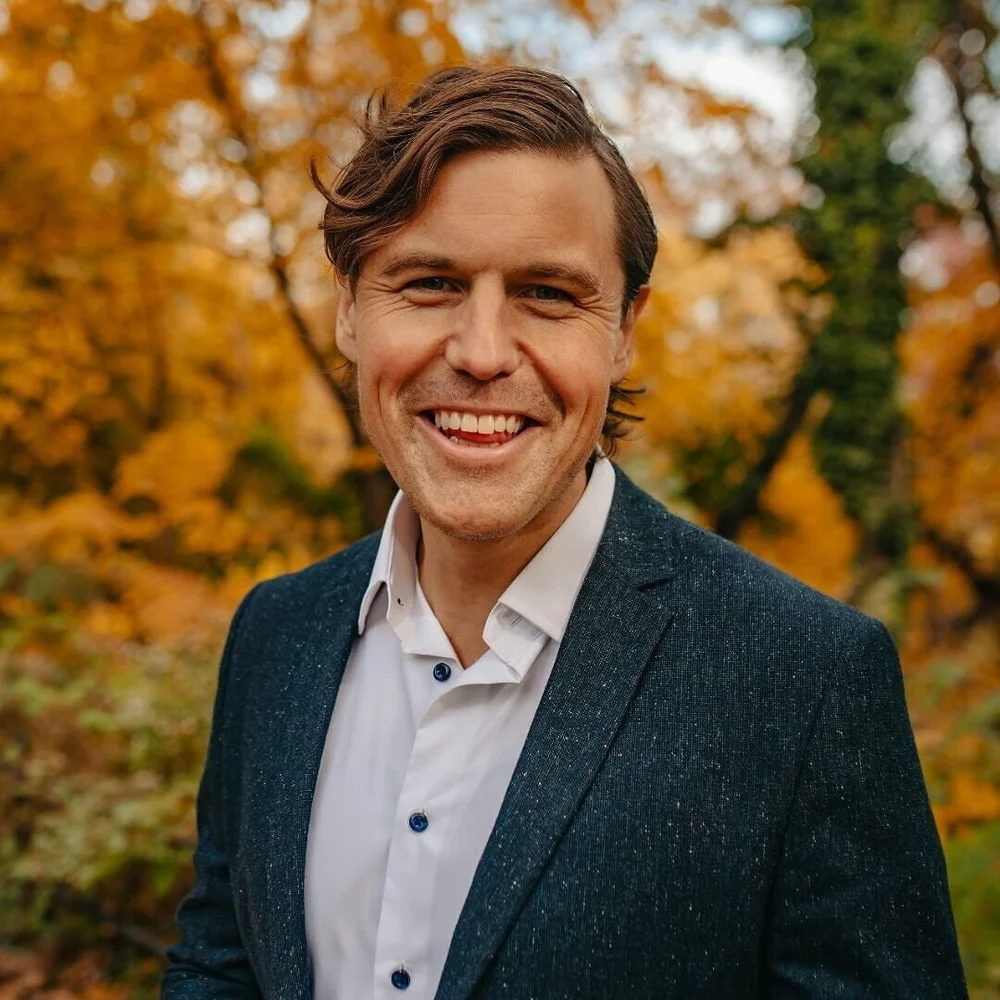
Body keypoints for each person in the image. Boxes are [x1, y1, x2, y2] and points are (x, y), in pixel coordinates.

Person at [161, 65, 967, 999]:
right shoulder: (274, 635)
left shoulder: (805, 681)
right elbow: (218, 963)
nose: (482, 352)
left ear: (624, 331)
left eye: (547, 293)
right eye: (430, 282)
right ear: (349, 310)